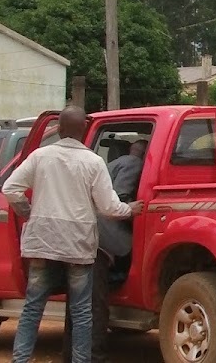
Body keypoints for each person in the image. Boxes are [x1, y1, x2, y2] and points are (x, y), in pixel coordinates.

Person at [2, 105, 141, 363]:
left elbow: (10, 188)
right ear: (84, 130)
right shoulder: (94, 162)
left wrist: (28, 212)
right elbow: (109, 207)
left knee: (33, 308)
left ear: (61, 129)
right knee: (81, 313)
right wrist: (130, 210)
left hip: (42, 241)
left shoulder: (40, 156)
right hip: (78, 246)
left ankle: (19, 359)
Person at [61, 138, 149, 363]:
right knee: (94, 303)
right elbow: (119, 199)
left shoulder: (109, 164)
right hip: (102, 242)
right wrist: (132, 210)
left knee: (77, 303)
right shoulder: (133, 163)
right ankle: (94, 356)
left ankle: (71, 354)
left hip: (79, 238)